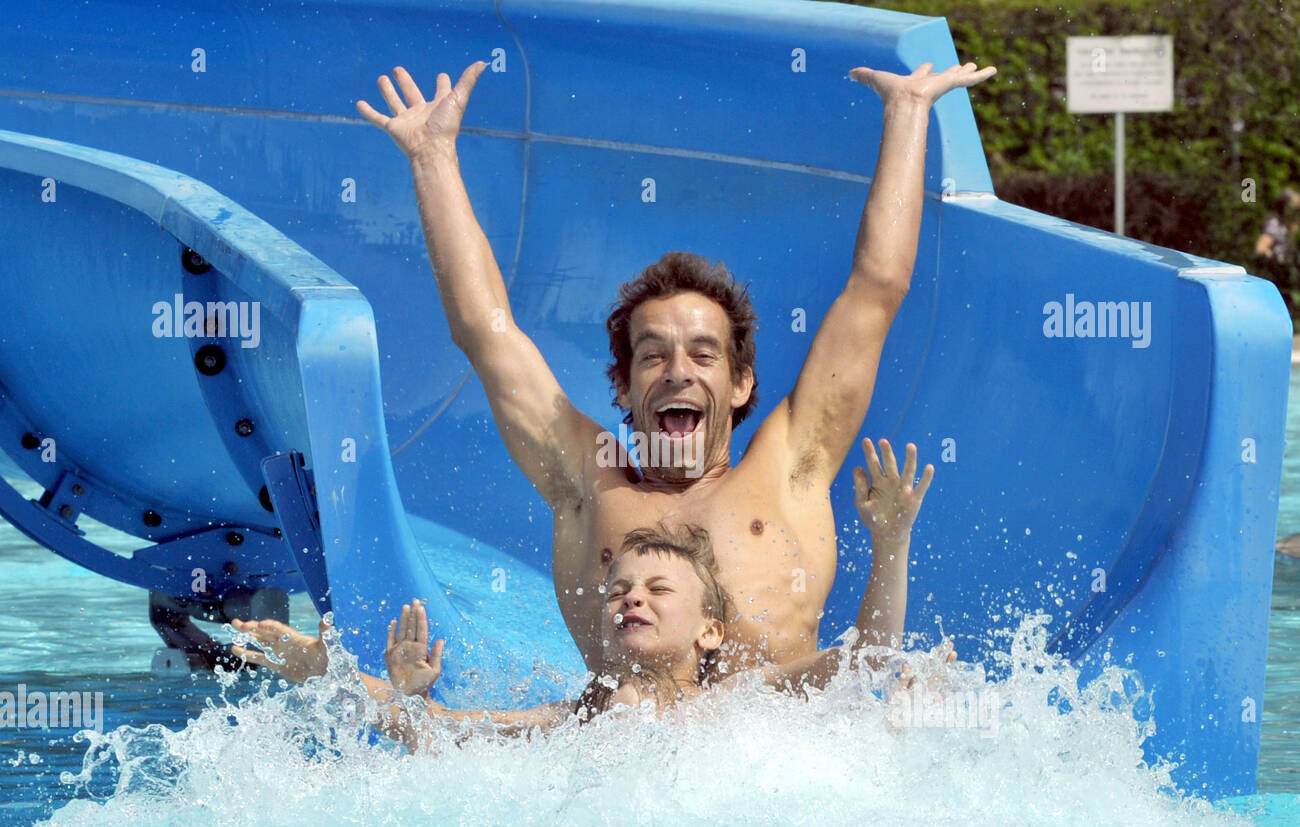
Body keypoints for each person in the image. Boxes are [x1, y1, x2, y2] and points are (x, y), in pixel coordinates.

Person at [353, 58, 993, 679]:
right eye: (652, 354)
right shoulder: (588, 484)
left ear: (741, 384)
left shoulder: (791, 469)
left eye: (703, 354)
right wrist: (432, 157)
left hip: (787, 764)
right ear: (624, 388)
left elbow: (875, 292)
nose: (676, 371)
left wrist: (908, 111)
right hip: (630, 767)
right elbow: (486, 333)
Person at [232, 438, 943, 747]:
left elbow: (872, 656)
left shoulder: (745, 703)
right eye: (618, 590)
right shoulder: (578, 719)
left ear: (710, 632)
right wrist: (343, 676)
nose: (629, 598)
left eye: (658, 588)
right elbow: (444, 738)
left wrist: (892, 542)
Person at [1255, 188, 1299, 263]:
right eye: (1295, 208)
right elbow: (1260, 249)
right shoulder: (1274, 224)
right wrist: (1277, 258)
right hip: (1273, 270)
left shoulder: (1286, 225)